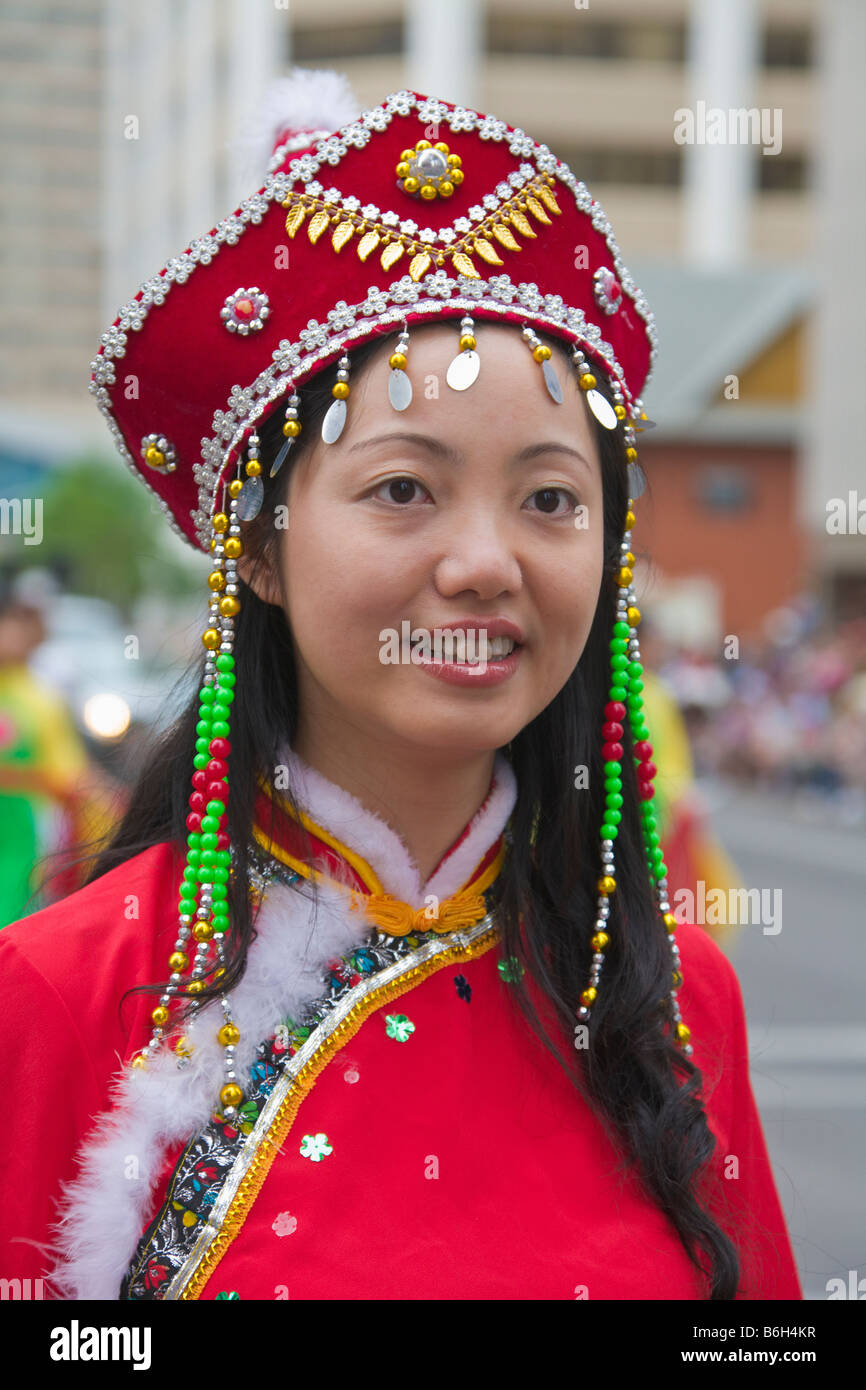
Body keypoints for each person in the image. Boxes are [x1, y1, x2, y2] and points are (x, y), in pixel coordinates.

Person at [0, 69, 801, 1301]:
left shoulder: (675, 1000)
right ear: (258, 550)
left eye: (549, 499)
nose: (484, 564)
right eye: (401, 490)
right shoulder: (61, 994)